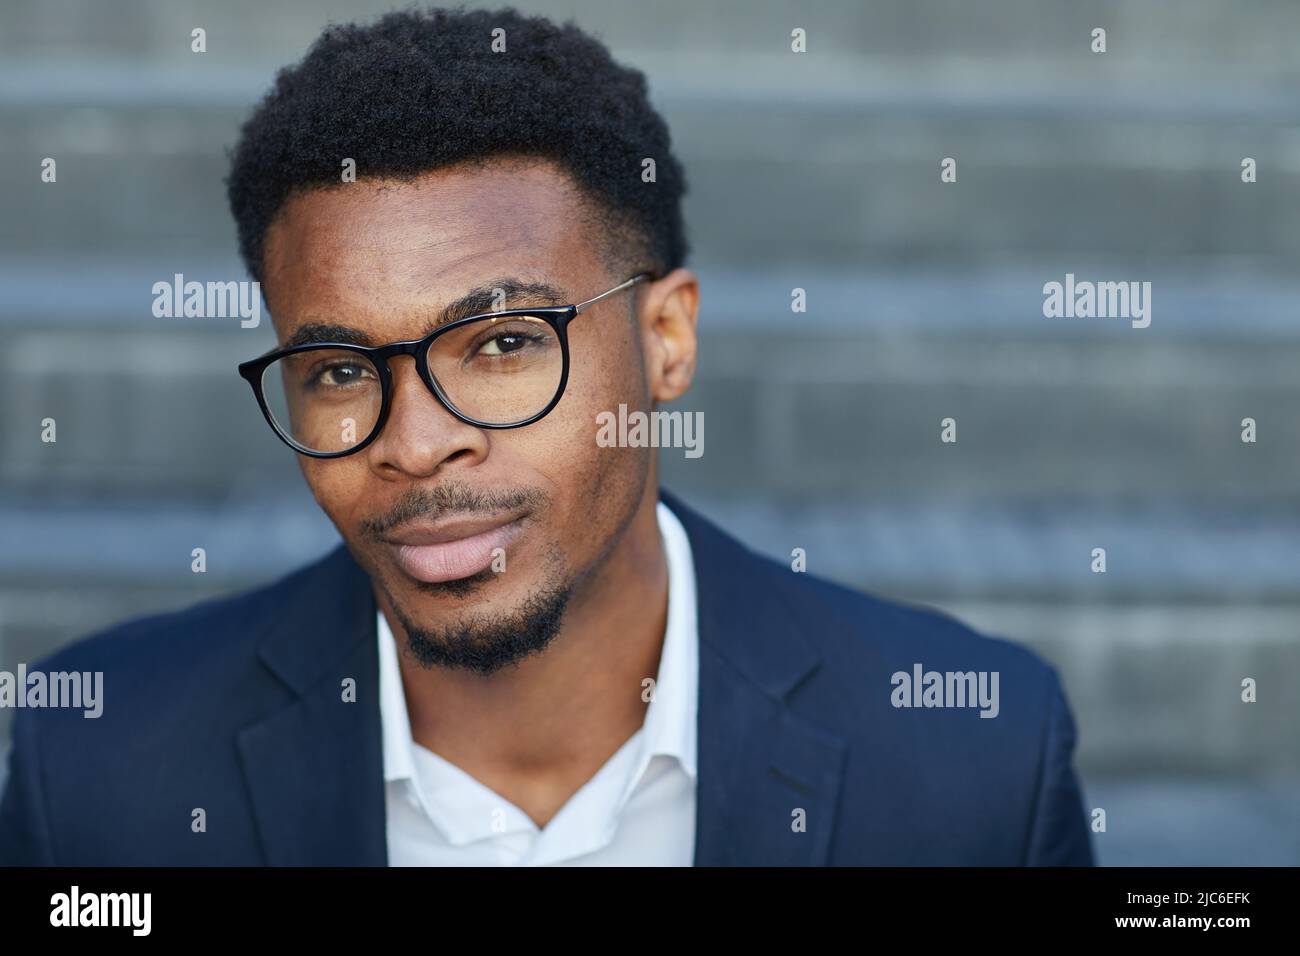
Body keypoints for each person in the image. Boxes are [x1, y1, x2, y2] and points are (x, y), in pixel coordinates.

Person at [0, 6, 1092, 866]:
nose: (417, 445)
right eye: (339, 371)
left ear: (665, 339)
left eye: (503, 343)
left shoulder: (974, 760)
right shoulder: (102, 770)